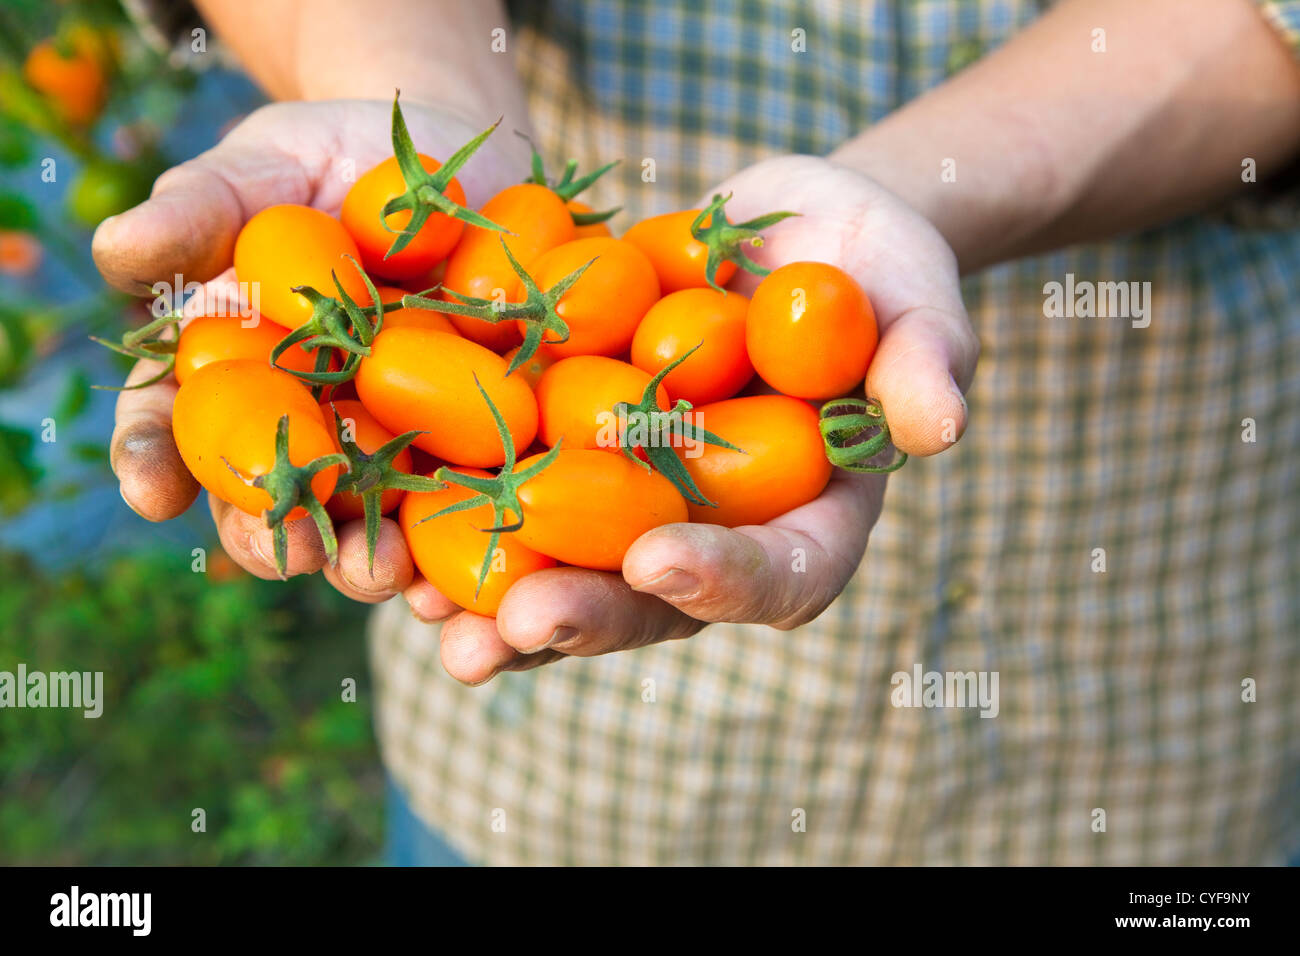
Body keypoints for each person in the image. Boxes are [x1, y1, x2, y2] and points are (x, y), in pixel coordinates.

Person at [96, 0, 1300, 865]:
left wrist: (911, 199)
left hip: (1148, 692)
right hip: (571, 795)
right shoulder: (487, 362)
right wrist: (428, 112)